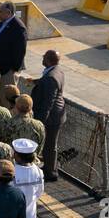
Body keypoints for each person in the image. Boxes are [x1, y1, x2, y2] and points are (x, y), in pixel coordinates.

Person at [30, 49, 65, 182]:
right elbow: (49, 83)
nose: (42, 59)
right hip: (57, 114)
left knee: (50, 144)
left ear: (49, 60)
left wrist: (40, 122)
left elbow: (48, 103)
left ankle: (51, 172)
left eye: (44, 57)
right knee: (50, 144)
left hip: (52, 118)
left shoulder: (50, 78)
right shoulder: (57, 71)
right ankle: (50, 168)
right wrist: (37, 82)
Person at [0, 1, 27, 87]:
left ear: (8, 13)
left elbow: (20, 52)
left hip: (8, 71)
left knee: (6, 97)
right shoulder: (1, 23)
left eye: (1, 12)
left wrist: (12, 70)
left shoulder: (18, 28)